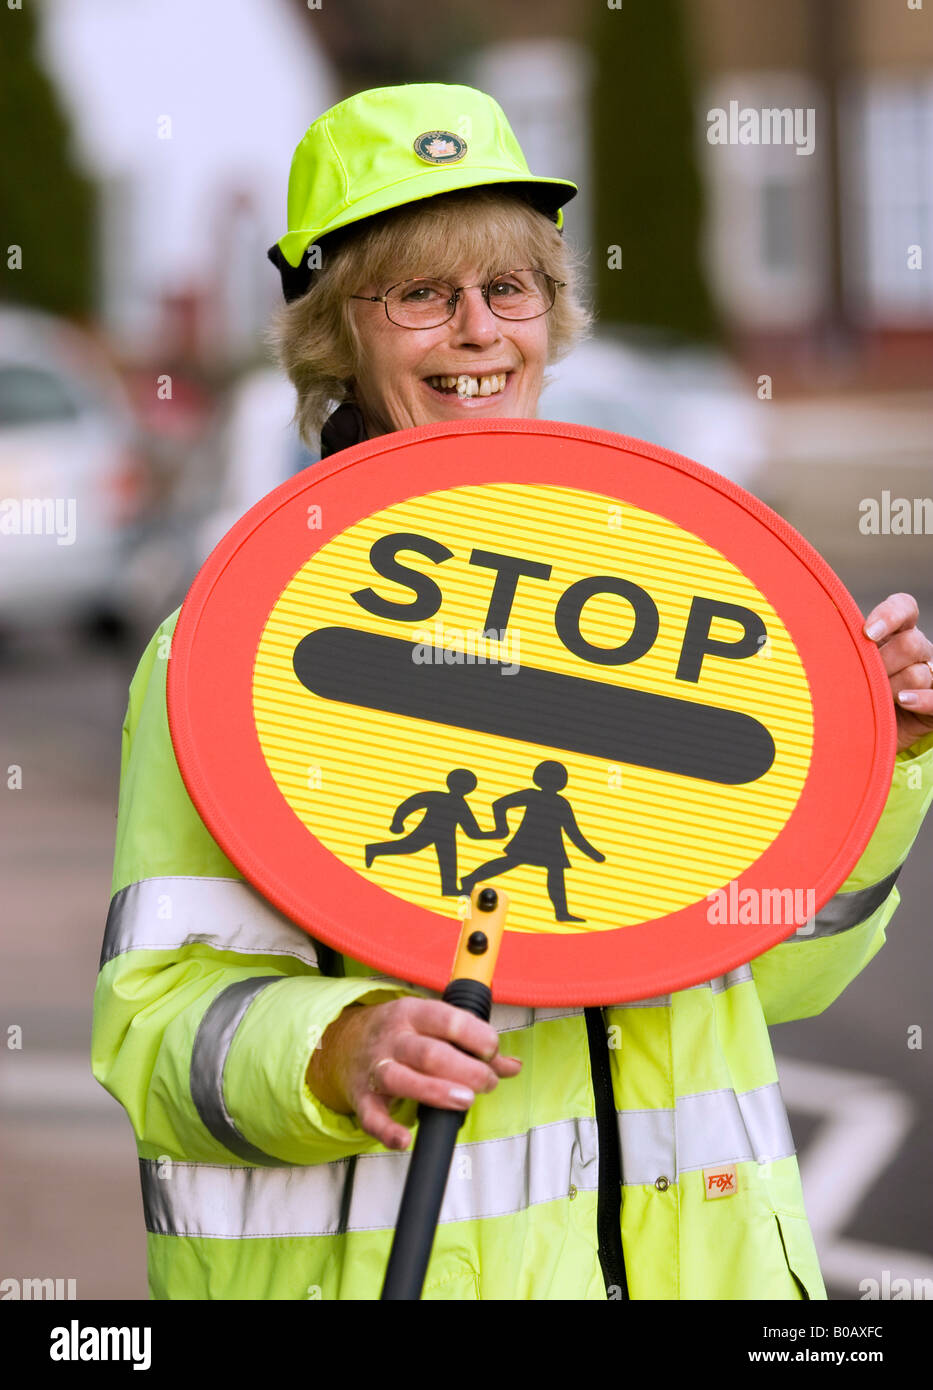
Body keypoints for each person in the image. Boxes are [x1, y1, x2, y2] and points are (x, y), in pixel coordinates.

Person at [92, 82, 933, 1301]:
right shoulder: (236, 641)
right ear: (337, 333)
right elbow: (158, 1028)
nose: (479, 331)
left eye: (510, 287)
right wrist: (336, 1050)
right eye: (423, 294)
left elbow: (778, 972)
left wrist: (880, 760)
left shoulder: (662, 608)